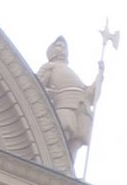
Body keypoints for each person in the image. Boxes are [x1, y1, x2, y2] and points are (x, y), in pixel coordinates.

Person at [36, 35, 102, 163]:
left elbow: (89, 94)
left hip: (82, 106)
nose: (63, 49)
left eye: (64, 47)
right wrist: (47, 93)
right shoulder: (49, 66)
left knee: (77, 140)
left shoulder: (70, 72)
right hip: (64, 103)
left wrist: (100, 76)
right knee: (62, 133)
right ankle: (54, 164)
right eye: (59, 46)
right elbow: (37, 86)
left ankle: (69, 170)